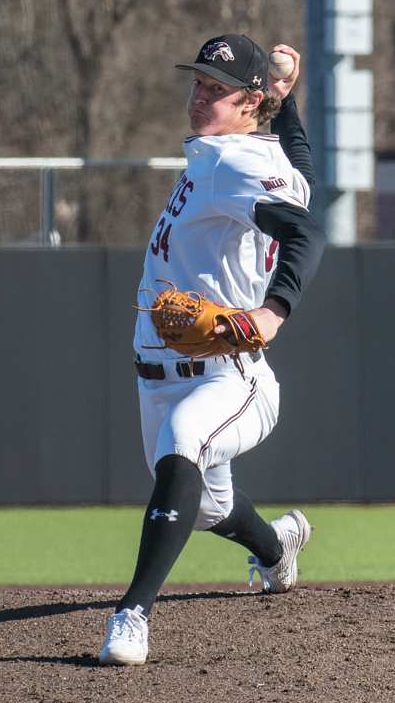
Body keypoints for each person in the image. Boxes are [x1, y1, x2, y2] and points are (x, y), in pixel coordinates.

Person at [100, 33, 326, 667]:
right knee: (206, 505)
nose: (198, 97)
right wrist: (288, 105)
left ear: (249, 103)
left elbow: (306, 231)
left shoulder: (237, 163)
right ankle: (278, 547)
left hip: (229, 375)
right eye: (197, 84)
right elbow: (301, 182)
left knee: (183, 445)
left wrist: (272, 311)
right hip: (161, 375)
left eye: (216, 90)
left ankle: (132, 615)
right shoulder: (228, 153)